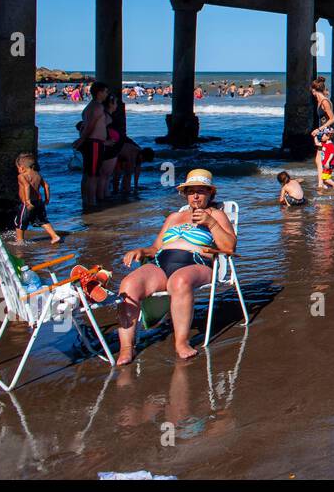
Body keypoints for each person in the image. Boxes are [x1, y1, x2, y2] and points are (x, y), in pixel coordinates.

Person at [116, 168, 236, 362]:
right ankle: (126, 348)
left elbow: (229, 247)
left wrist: (211, 223)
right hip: (161, 262)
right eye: (191, 191)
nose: (195, 196)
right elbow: (156, 247)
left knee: (179, 281)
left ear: (211, 193)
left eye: (201, 190)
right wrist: (141, 251)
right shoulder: (173, 217)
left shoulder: (216, 215)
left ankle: (181, 341)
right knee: (129, 285)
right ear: (185, 194)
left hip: (197, 262)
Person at [75, 81, 111, 210]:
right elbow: (90, 126)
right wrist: (82, 139)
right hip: (94, 143)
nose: (107, 94)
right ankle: (91, 202)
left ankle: (87, 200)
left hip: (92, 142)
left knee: (88, 173)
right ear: (99, 92)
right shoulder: (97, 107)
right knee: (93, 175)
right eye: (106, 92)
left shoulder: (91, 106)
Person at [14, 153, 61, 245]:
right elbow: (46, 186)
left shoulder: (21, 176)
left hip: (27, 203)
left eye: (17, 168)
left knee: (20, 222)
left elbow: (27, 186)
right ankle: (54, 236)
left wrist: (27, 201)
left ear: (22, 167)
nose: (18, 170)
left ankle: (20, 241)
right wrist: (47, 199)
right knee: (42, 220)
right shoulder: (37, 175)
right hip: (39, 202)